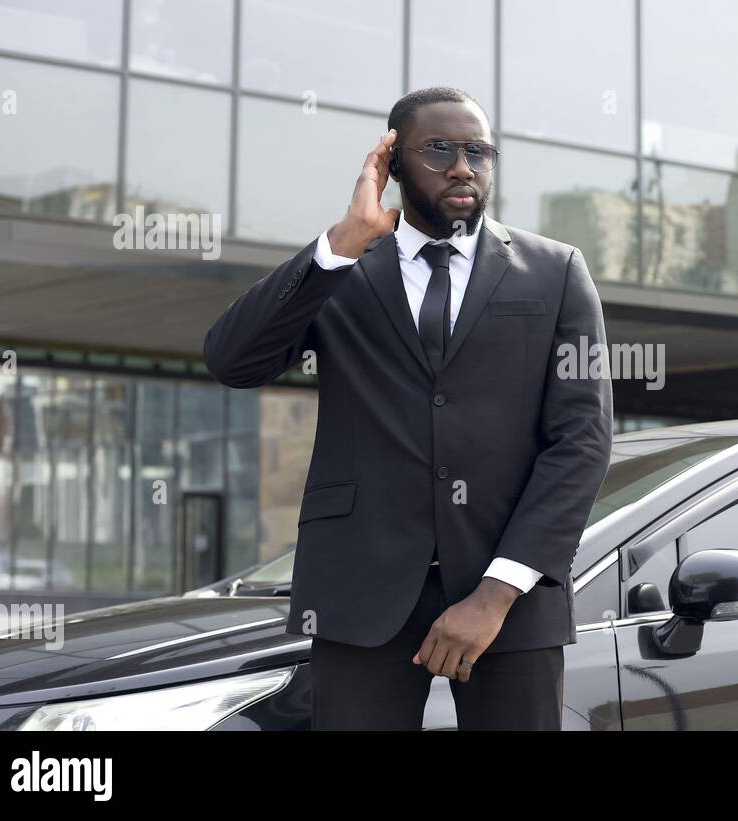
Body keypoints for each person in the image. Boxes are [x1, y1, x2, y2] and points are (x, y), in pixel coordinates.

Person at [203, 86, 614, 730]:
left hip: (509, 596)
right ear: (390, 165)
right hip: (360, 590)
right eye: (440, 149)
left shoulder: (555, 272)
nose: (462, 166)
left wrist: (496, 593)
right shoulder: (343, 272)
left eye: (479, 151)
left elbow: (582, 442)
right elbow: (232, 361)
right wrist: (340, 243)